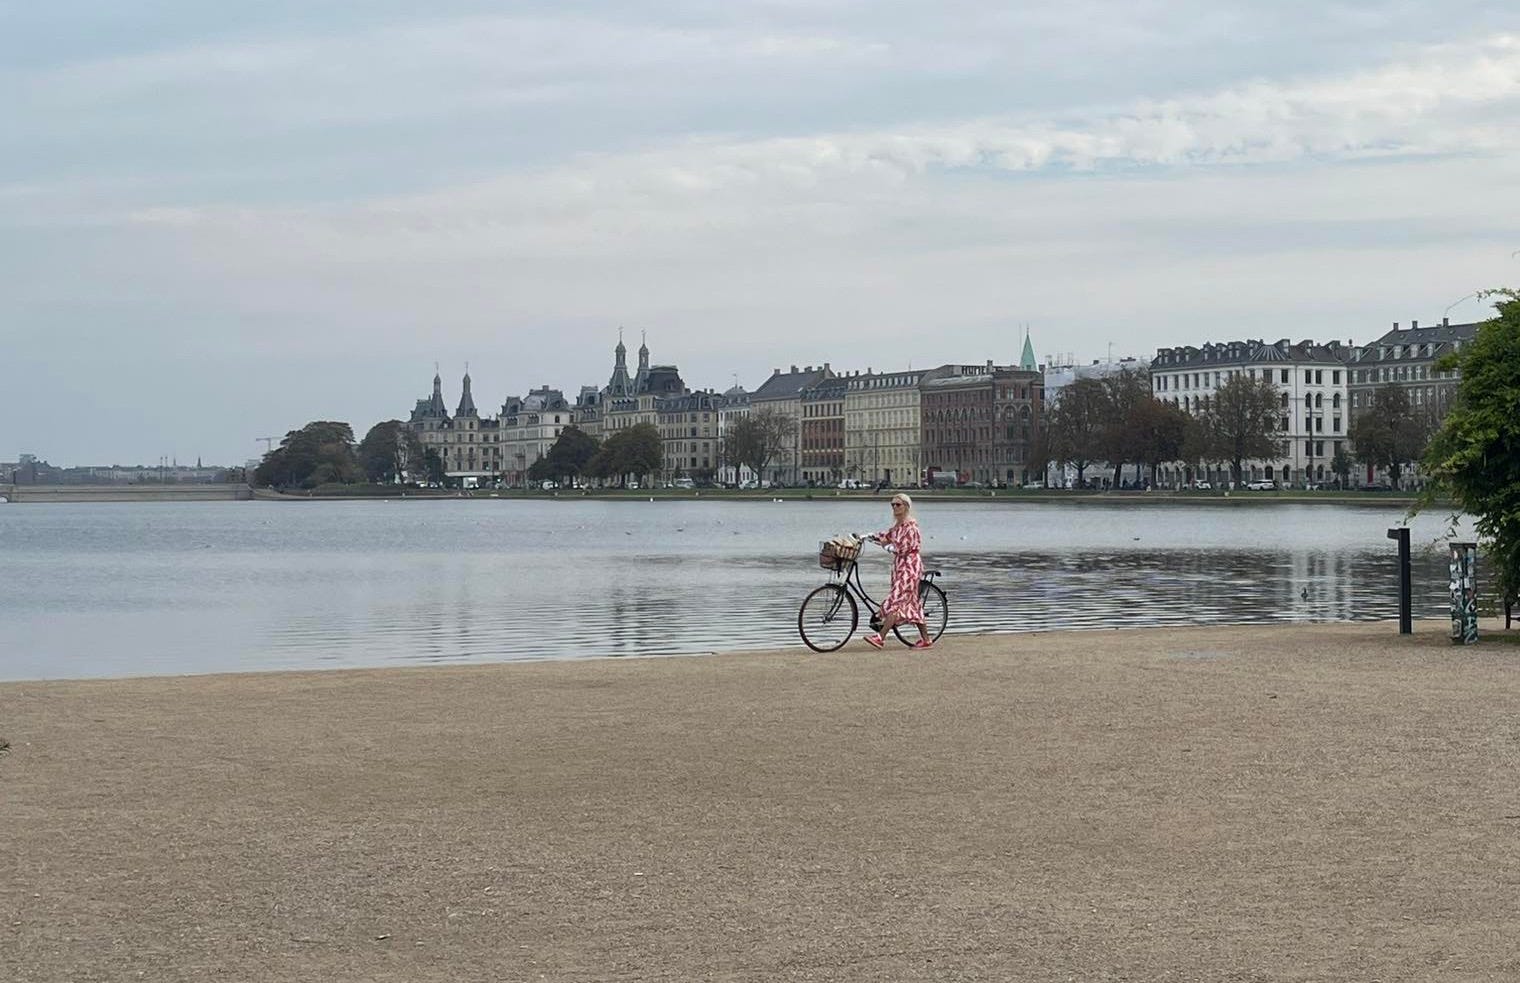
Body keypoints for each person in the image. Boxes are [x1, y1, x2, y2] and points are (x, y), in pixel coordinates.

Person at [863, 493, 932, 649]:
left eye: (898, 505)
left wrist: (889, 547)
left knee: (897, 600)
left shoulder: (911, 526)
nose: (894, 507)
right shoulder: (898, 526)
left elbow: (907, 547)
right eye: (892, 505)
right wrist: (868, 537)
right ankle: (926, 640)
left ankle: (880, 637)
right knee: (912, 603)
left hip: (910, 567)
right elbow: (887, 536)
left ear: (906, 506)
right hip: (900, 566)